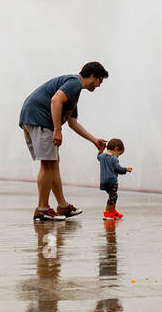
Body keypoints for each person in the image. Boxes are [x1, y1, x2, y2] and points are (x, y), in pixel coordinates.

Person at [19, 62, 109, 222]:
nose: (99, 85)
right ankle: (42, 208)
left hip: (35, 117)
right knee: (47, 164)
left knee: (53, 162)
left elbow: (72, 122)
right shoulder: (74, 83)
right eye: (100, 81)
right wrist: (57, 130)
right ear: (93, 76)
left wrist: (94, 140)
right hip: (39, 118)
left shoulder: (74, 92)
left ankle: (62, 206)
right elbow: (55, 100)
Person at [98, 139, 131, 220]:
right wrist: (126, 169)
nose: (118, 156)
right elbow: (118, 169)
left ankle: (112, 211)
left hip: (103, 181)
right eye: (119, 154)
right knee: (113, 196)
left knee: (112, 196)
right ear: (116, 149)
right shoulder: (113, 158)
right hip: (111, 181)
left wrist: (101, 149)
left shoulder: (102, 156)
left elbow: (98, 156)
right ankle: (108, 213)